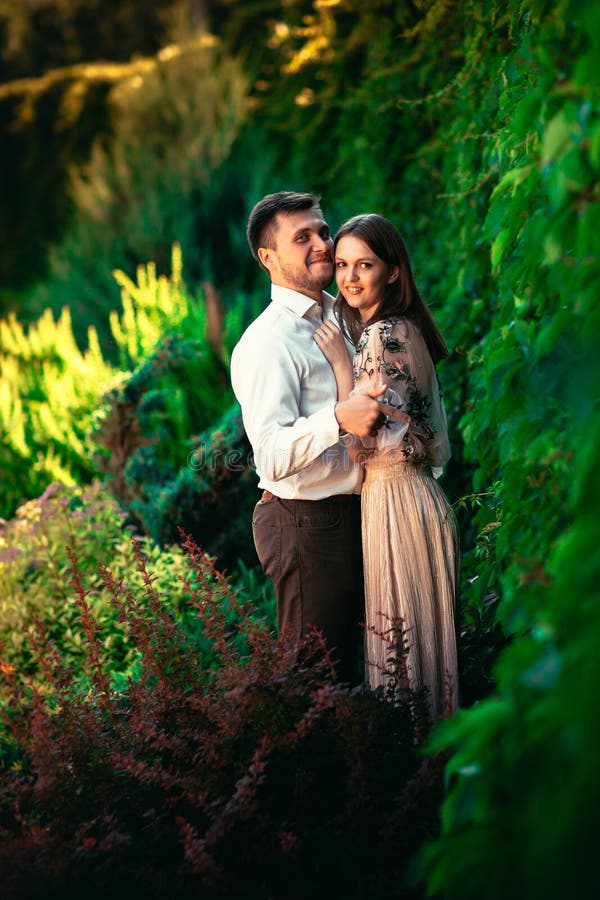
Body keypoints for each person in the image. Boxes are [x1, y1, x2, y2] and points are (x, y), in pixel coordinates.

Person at [230, 192, 405, 685]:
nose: (322, 245)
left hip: (362, 512)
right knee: (317, 684)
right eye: (301, 237)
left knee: (368, 673)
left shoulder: (346, 315)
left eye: (323, 232)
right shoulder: (267, 343)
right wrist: (338, 417)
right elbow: (269, 453)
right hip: (308, 526)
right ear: (268, 258)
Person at [314, 213, 460, 717]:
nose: (350, 277)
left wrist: (338, 363)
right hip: (408, 498)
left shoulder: (381, 336)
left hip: (398, 502)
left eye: (365, 265)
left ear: (393, 271)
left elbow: (364, 435)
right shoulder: (402, 327)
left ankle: (419, 785)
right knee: (418, 665)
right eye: (342, 265)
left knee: (406, 673)